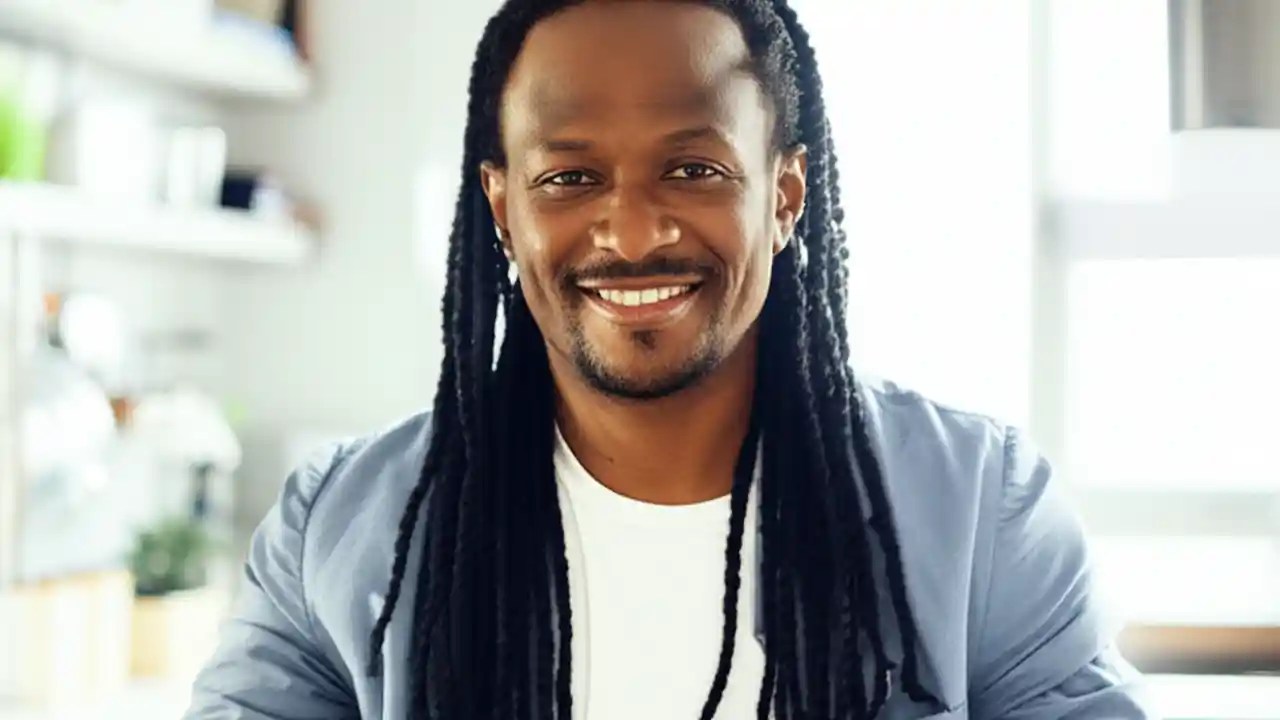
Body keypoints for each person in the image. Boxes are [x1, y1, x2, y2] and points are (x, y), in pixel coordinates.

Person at [185, 1, 1153, 718]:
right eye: (569, 177)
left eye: (692, 169)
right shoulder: (337, 537)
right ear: (502, 207)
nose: (632, 230)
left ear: (782, 194)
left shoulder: (981, 512)